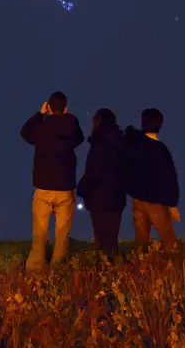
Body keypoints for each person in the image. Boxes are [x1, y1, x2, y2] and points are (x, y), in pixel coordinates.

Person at [20, 90, 85, 276]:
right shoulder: (72, 125)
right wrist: (67, 117)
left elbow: (24, 132)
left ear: (48, 106)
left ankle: (36, 269)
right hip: (65, 187)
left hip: (43, 187)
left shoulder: (41, 127)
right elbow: (79, 138)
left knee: (40, 231)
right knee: (62, 232)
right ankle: (58, 268)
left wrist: (40, 114)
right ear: (65, 108)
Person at [125, 108, 180, 251]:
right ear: (160, 125)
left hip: (137, 198)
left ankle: (141, 266)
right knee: (168, 238)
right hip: (156, 201)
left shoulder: (134, 145)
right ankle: (173, 266)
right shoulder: (160, 150)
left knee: (141, 238)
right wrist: (173, 205)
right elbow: (170, 178)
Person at [76, 108, 127, 257]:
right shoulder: (120, 143)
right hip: (117, 198)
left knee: (103, 241)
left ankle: (107, 272)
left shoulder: (99, 144)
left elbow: (94, 172)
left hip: (100, 199)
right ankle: (115, 271)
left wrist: (82, 189)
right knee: (112, 240)